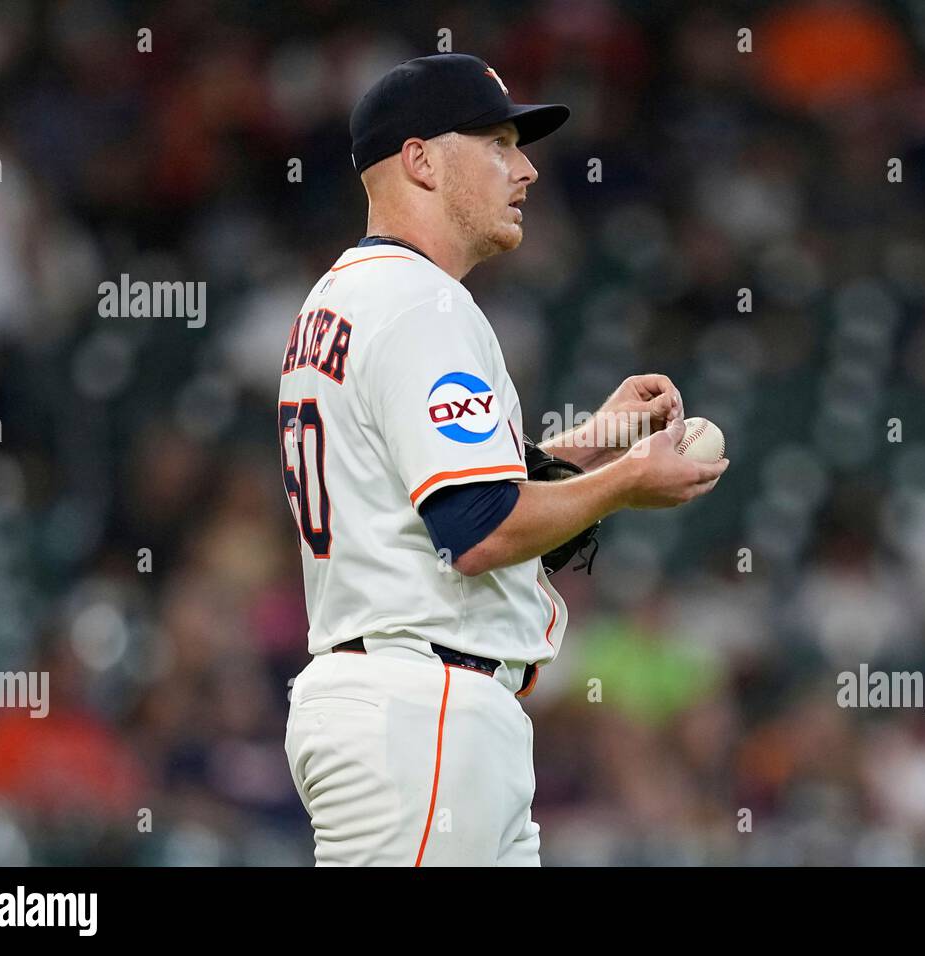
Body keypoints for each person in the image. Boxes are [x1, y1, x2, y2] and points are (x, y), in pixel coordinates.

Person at [279, 53, 728, 866]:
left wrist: (589, 444)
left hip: (405, 703)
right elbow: (476, 526)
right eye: (496, 142)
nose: (524, 168)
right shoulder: (421, 302)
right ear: (420, 160)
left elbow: (433, 493)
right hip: (421, 711)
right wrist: (625, 482)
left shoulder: (345, 296)